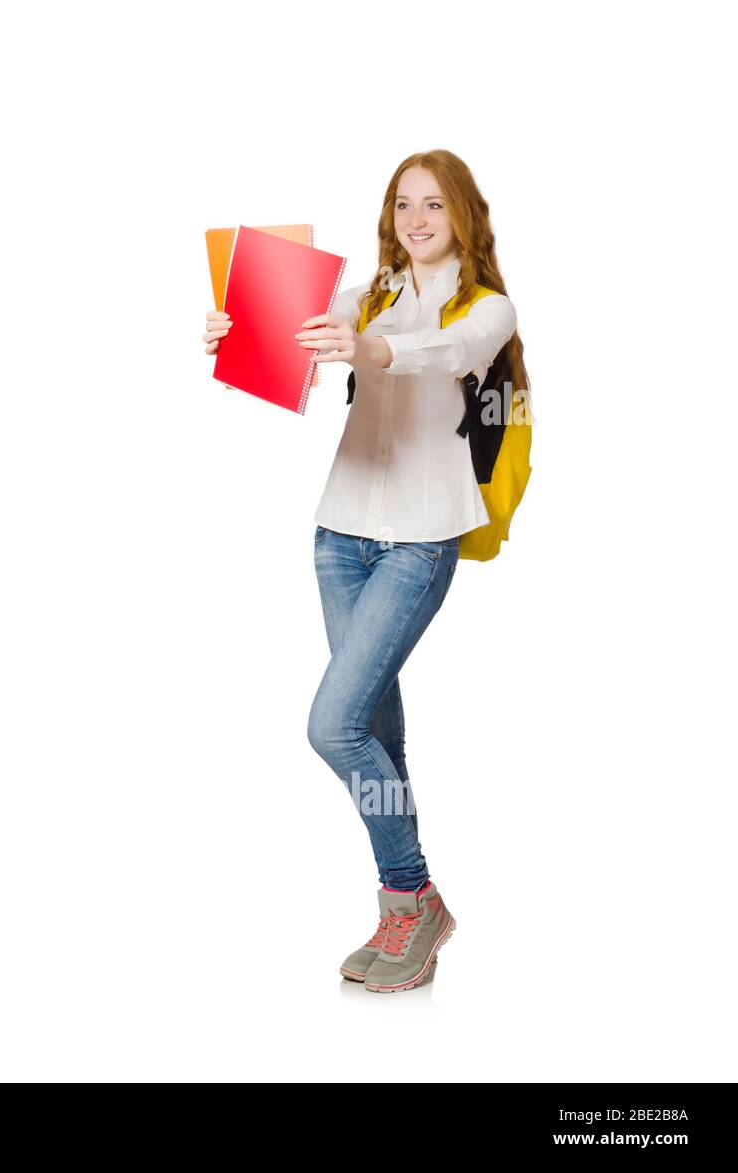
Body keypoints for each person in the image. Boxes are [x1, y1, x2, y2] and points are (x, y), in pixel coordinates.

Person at [202, 150, 525, 993]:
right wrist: (239, 333)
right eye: (403, 204)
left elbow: (441, 351)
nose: (417, 219)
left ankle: (411, 895)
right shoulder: (373, 292)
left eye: (433, 205)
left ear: (462, 215)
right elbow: (297, 343)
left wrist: (368, 347)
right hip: (339, 535)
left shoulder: (487, 309)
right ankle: (403, 909)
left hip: (419, 542)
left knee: (332, 725)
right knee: (376, 735)